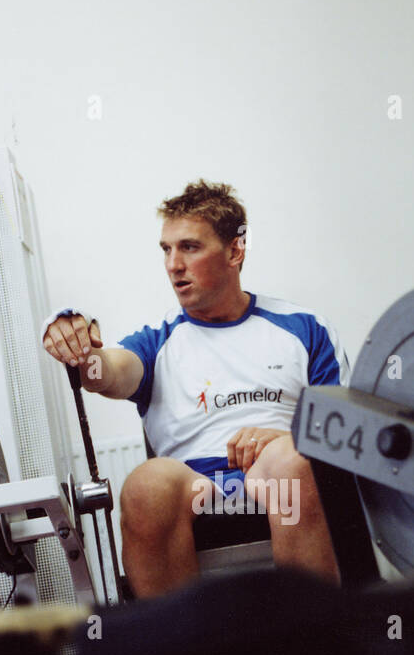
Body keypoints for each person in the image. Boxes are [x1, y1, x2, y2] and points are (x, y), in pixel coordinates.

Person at [41, 180, 347, 598]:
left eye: (189, 247)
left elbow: (346, 430)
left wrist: (289, 439)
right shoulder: (159, 339)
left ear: (235, 251)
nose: (173, 264)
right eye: (166, 250)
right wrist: (80, 346)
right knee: (146, 485)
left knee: (294, 462)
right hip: (196, 486)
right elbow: (107, 373)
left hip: (281, 472)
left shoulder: (304, 327)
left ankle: (316, 649)